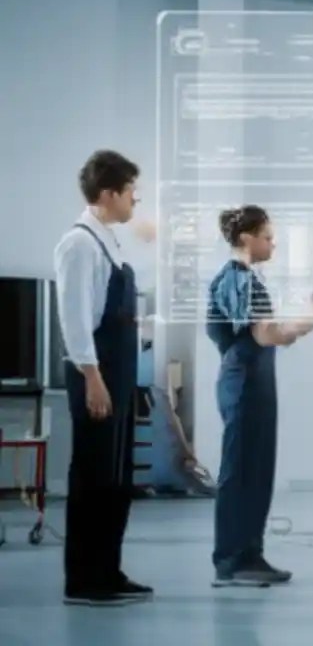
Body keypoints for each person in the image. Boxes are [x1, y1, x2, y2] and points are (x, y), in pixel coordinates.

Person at [207, 206, 313, 586]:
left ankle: (249, 555)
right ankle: (231, 561)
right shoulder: (237, 280)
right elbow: (266, 334)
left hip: (254, 378)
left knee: (256, 470)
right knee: (241, 471)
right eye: (268, 237)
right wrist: (310, 319)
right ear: (246, 238)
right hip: (244, 380)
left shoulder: (246, 280)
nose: (273, 244)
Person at [53, 149, 150, 606]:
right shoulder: (79, 244)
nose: (136, 200)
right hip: (97, 376)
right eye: (132, 191)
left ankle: (108, 571)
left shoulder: (109, 241)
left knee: (115, 478)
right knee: (93, 476)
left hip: (118, 376)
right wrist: (92, 378)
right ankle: (84, 580)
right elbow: (75, 321)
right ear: (108, 193)